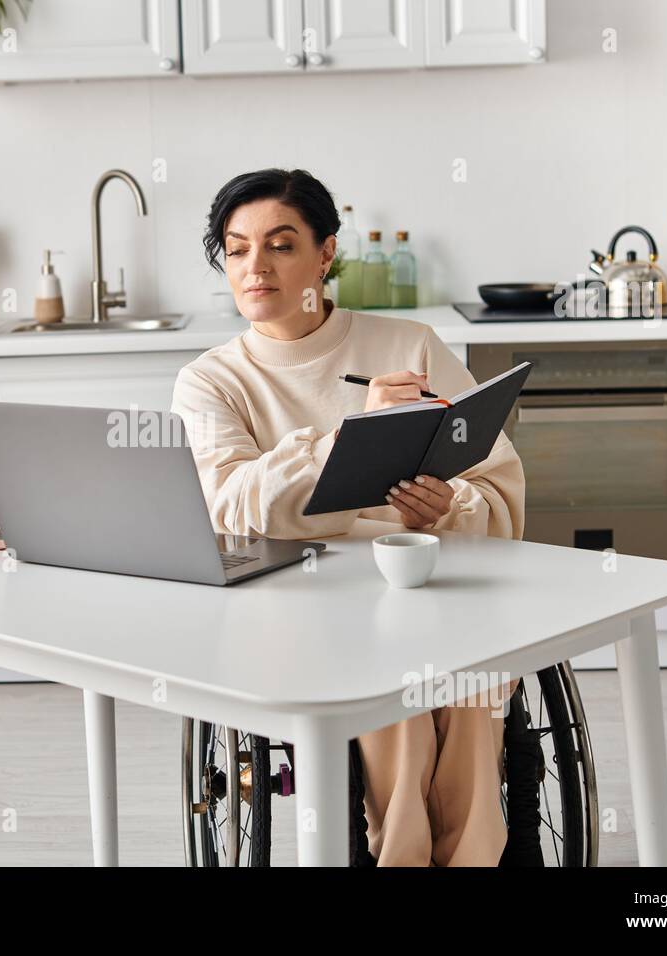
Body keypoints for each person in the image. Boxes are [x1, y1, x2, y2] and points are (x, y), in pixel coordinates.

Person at [170, 168, 525, 866]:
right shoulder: (211, 380)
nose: (256, 267)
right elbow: (235, 511)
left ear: (325, 253)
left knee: (474, 689)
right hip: (299, 602)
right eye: (236, 249)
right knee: (396, 703)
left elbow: (497, 486)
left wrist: (450, 505)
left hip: (424, 583)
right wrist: (346, 439)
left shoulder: (410, 345)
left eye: (279, 244)